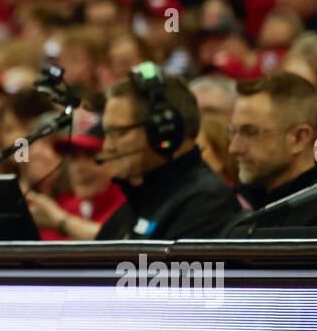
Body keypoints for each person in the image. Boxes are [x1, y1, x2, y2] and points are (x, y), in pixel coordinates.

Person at [95, 66, 244, 239]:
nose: (107, 147)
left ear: (163, 130)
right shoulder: (137, 203)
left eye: (119, 132)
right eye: (106, 133)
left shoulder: (206, 203)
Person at [220, 72, 317, 236]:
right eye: (233, 132)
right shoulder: (235, 205)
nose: (234, 148)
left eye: (250, 132)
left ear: (299, 138)